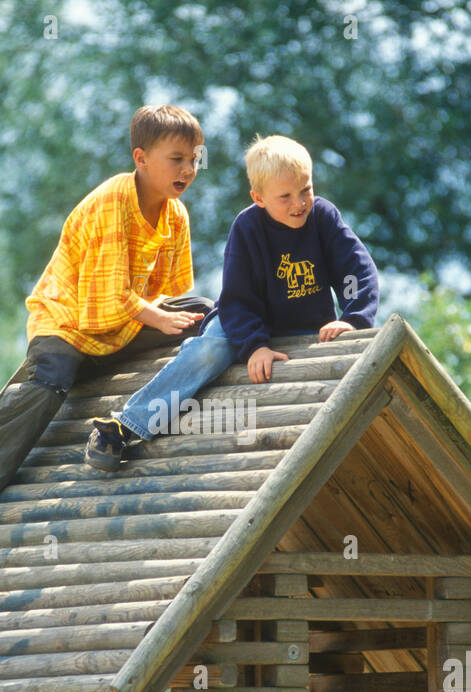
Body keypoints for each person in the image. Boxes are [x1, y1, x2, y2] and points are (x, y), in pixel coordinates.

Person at [0, 104, 211, 529]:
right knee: (52, 378)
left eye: (194, 159)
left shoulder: (176, 215)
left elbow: (168, 292)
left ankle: (126, 425)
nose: (188, 169)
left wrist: (167, 317)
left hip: (121, 324)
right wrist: (157, 318)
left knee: (205, 314)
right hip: (70, 323)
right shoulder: (114, 200)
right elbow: (103, 297)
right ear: (141, 158)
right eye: (177, 159)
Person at [84, 134, 379, 470]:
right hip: (243, 319)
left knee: (346, 356)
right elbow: (237, 298)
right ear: (259, 198)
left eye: (305, 190)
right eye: (285, 197)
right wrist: (254, 346)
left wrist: (353, 319)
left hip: (305, 323)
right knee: (210, 351)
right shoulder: (247, 228)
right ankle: (125, 426)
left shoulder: (323, 216)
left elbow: (357, 269)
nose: (299, 203)